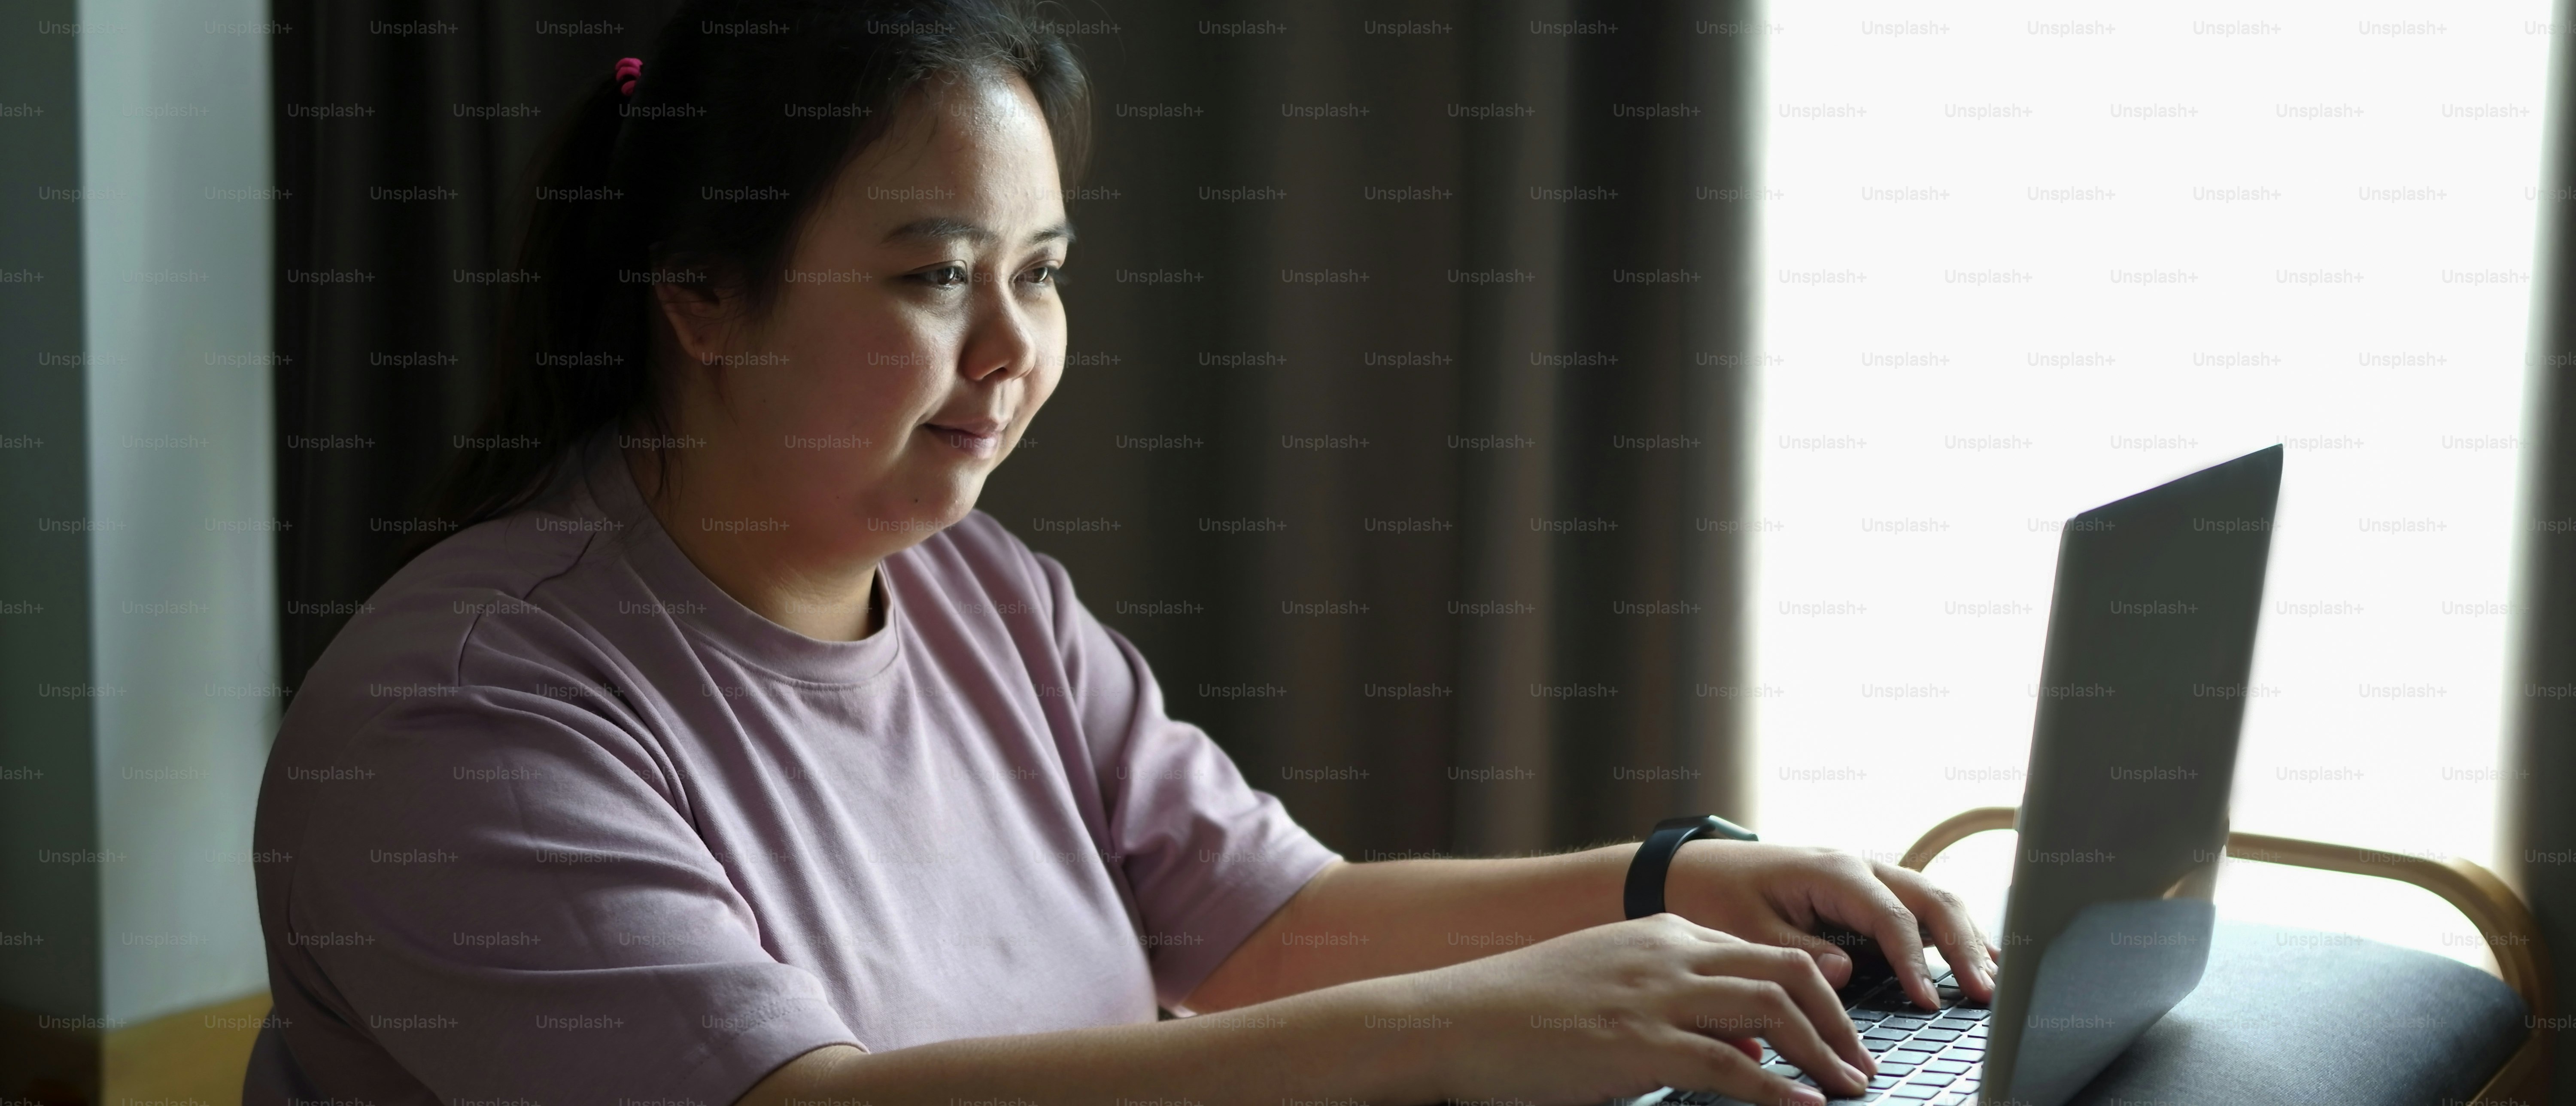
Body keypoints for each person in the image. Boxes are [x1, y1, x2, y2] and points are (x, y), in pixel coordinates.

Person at [248, 3, 1996, 1105]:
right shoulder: (461, 716)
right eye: (938, 275)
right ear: (701, 292)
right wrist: (1456, 1033)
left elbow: (1269, 921)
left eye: (1045, 269)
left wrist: (1663, 877)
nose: (1014, 348)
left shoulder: (981, 588)